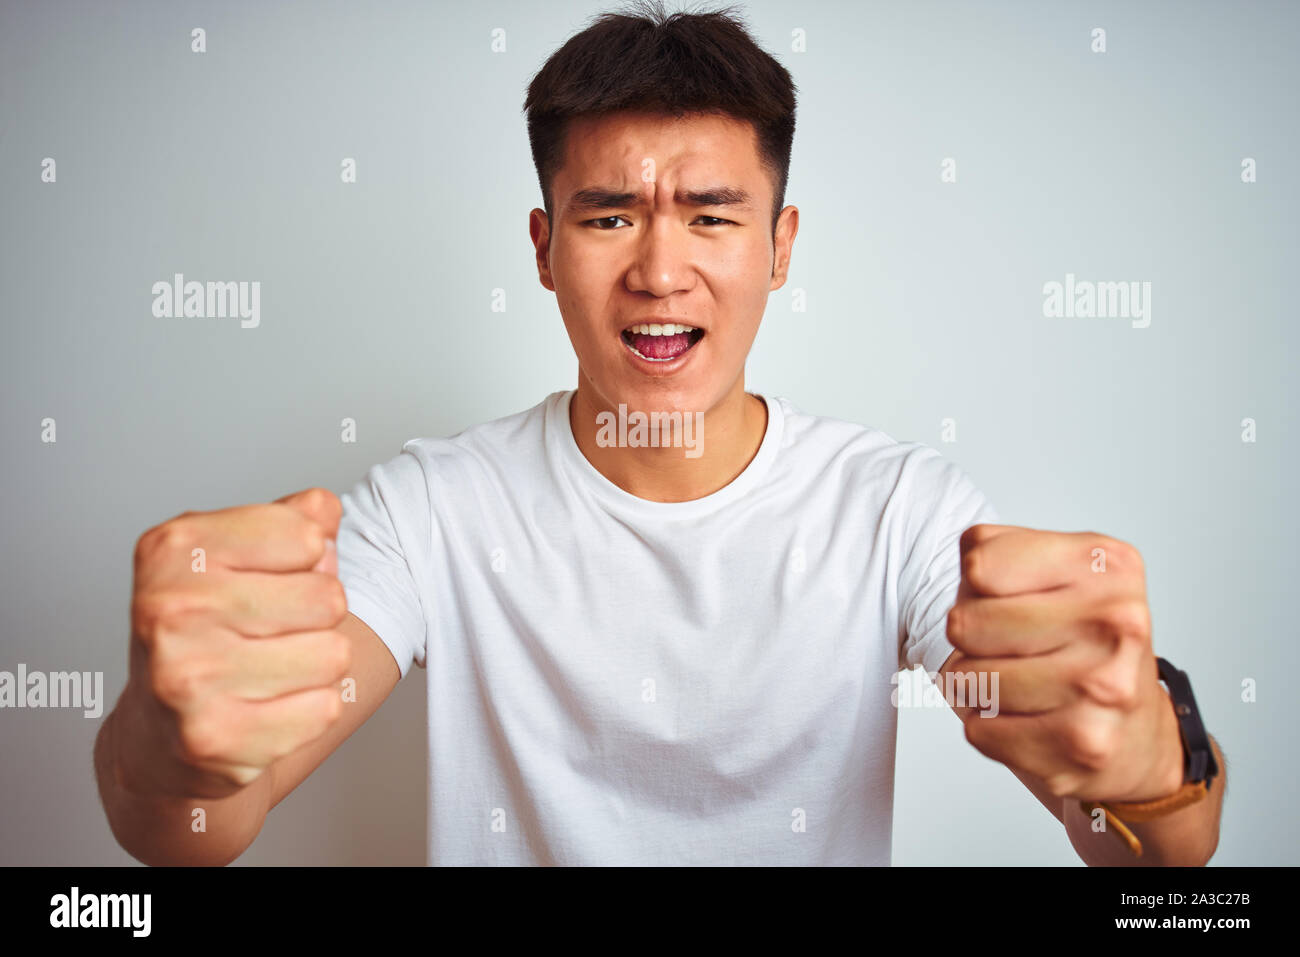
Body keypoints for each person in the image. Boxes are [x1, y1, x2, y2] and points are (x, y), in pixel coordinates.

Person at [95, 1, 1224, 866]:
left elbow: (1157, 854)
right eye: (610, 216)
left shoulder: (899, 510)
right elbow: (192, 831)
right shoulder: (432, 509)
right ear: (543, 249)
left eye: (710, 215)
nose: (658, 268)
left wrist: (1147, 766)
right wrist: (171, 739)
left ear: (780, 247)